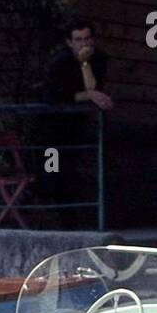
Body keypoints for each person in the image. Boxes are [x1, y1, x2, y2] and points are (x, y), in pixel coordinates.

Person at [38, 17, 112, 227]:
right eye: (78, 40)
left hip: (74, 129)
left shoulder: (99, 59)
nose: (84, 44)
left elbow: (94, 86)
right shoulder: (58, 62)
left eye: (87, 39)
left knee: (70, 173)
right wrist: (89, 95)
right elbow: (56, 95)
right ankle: (50, 223)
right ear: (70, 42)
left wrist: (85, 63)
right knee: (52, 172)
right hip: (50, 131)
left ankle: (68, 223)